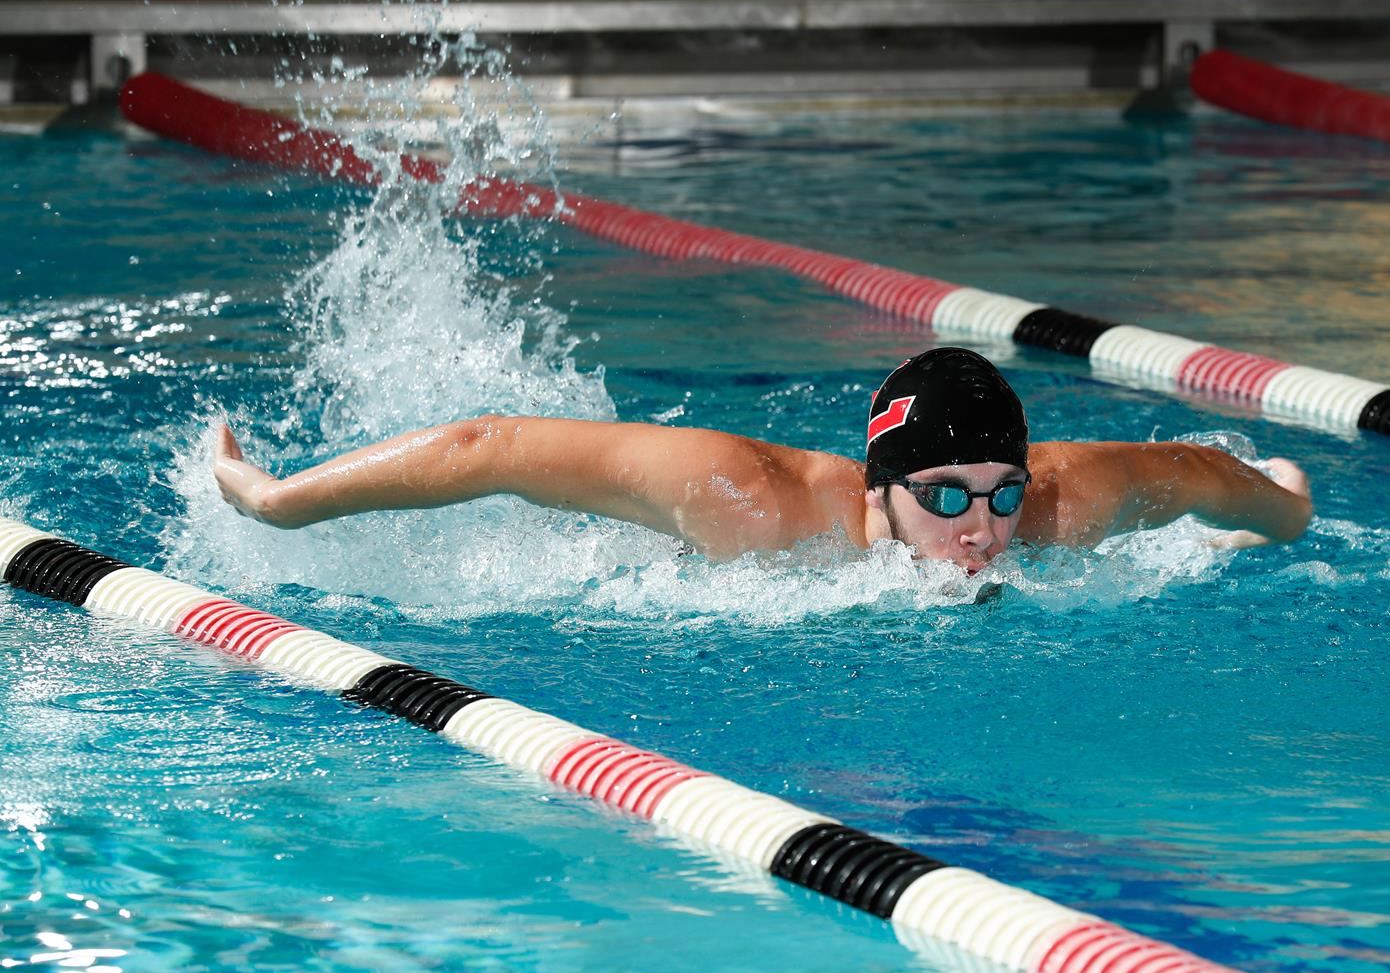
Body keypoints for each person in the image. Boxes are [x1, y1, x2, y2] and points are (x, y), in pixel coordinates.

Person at [214, 347, 1312, 575]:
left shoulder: (1066, 505)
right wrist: (275, 503)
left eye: (1001, 495)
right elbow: (486, 447)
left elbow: (1204, 474)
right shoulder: (747, 498)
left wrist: (1287, 513)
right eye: (943, 497)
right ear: (882, 484)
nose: (981, 530)